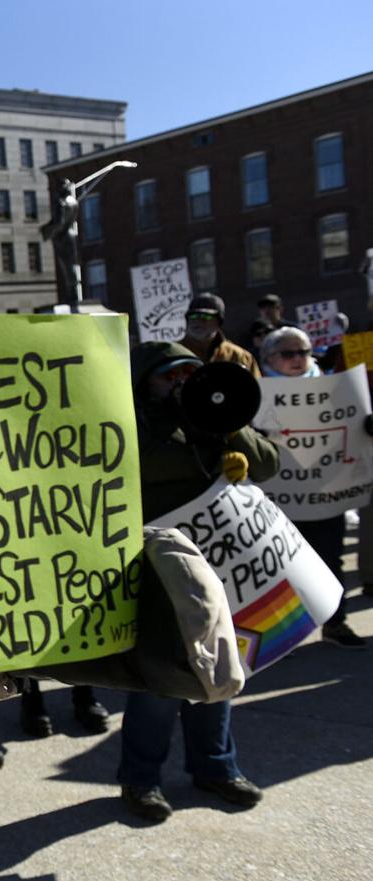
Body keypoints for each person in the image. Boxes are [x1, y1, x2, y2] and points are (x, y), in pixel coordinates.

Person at [117, 342, 277, 822]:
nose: (180, 384)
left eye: (190, 375)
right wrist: (189, 429)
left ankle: (216, 767)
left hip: (218, 565)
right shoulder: (132, 423)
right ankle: (141, 779)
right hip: (159, 571)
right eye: (169, 377)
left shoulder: (213, 416)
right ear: (145, 382)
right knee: (160, 680)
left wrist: (230, 430)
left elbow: (268, 463)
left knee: (221, 670)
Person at [260, 327, 365, 647]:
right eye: (287, 353)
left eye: (303, 352)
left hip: (324, 495)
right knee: (281, 569)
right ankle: (283, 638)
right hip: (278, 500)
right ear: (269, 359)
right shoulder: (257, 394)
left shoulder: (337, 388)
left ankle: (336, 623)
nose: (297, 359)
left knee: (329, 562)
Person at [181, 293, 260, 376]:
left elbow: (258, 387)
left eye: (207, 316)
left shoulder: (239, 356)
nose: (199, 321)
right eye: (194, 316)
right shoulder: (172, 355)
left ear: (218, 322)